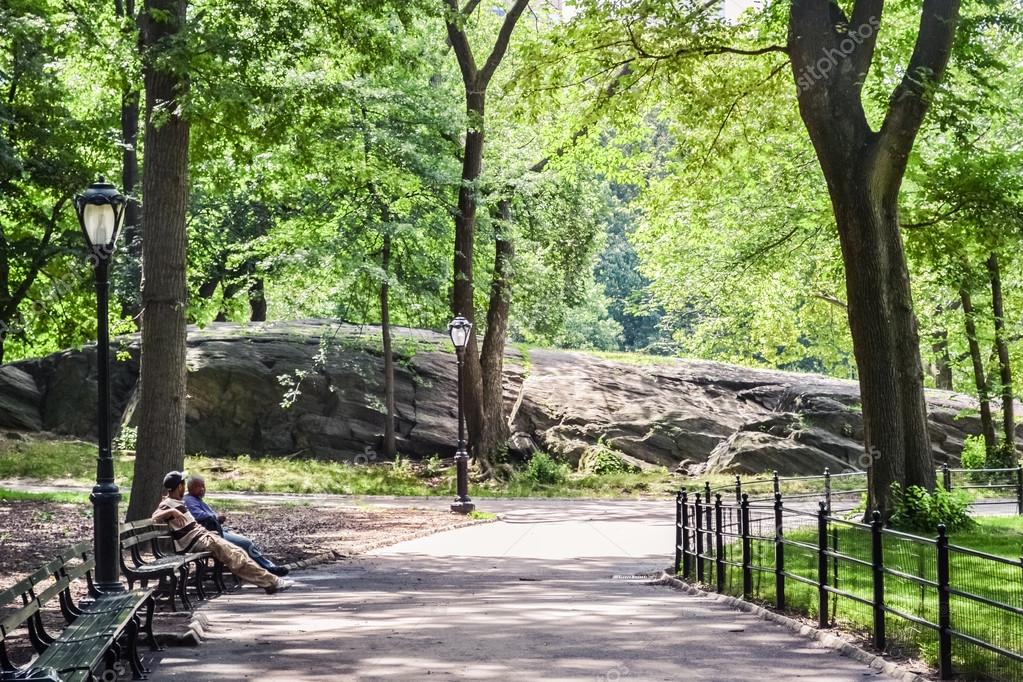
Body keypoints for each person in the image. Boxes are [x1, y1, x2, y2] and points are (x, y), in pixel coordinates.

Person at [152, 471, 294, 594]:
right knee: (236, 557)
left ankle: (269, 583)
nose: (185, 487)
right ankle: (272, 582)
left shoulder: (178, 500)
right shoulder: (168, 503)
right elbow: (154, 517)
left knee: (239, 552)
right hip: (198, 540)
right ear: (179, 486)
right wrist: (172, 511)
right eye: (183, 484)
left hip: (204, 536)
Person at [183, 475, 289, 577]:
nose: (202, 489)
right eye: (198, 486)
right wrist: (216, 517)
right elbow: (199, 516)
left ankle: (264, 568)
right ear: (190, 488)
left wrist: (217, 518)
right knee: (246, 543)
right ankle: (268, 569)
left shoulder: (196, 499)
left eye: (203, 486)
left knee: (248, 542)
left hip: (216, 531)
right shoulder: (189, 500)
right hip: (210, 534)